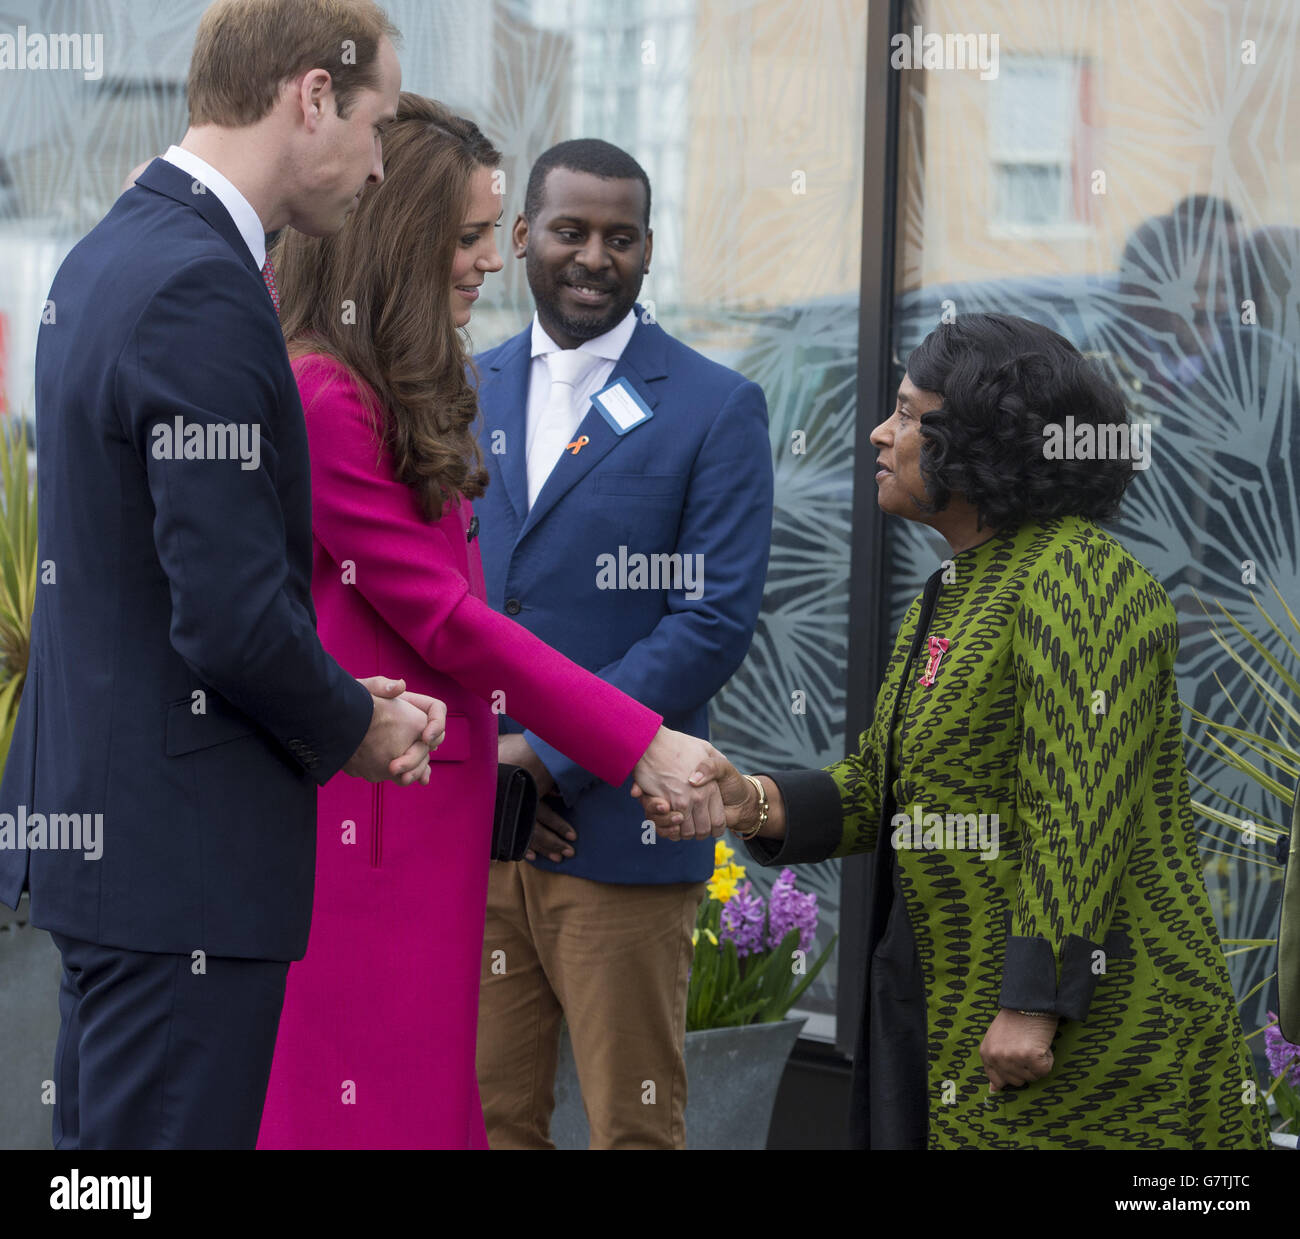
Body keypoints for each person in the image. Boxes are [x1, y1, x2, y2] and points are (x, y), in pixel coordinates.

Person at [641, 312, 1272, 1151]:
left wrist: (1033, 1003)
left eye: (907, 413)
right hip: (954, 1011)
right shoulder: (962, 588)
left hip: (1097, 1051)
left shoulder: (1080, 580)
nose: (879, 432)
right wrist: (746, 801)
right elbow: (887, 785)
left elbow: (1078, 812)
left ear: (982, 441)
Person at [0, 0, 451, 1150]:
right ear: (310, 96)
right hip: (179, 869)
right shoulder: (201, 285)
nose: (382, 161)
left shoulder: (111, 251)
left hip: (120, 857)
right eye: (378, 120)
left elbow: (146, 584)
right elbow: (231, 617)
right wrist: (354, 722)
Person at [256, 99, 729, 1150]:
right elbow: (449, 622)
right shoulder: (331, 396)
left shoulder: (389, 385)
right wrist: (636, 738)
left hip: (426, 822)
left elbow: (709, 613)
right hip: (378, 826)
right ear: (401, 237)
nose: (487, 261)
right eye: (469, 237)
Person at [474, 139, 774, 1149]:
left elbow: (710, 620)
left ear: (650, 249)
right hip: (475, 833)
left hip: (620, 838)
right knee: (485, 1122)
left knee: (633, 1130)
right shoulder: (455, 391)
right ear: (522, 237)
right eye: (570, 230)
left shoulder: (712, 406)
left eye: (621, 236)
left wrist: (553, 759)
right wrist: (493, 767)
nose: (594, 256)